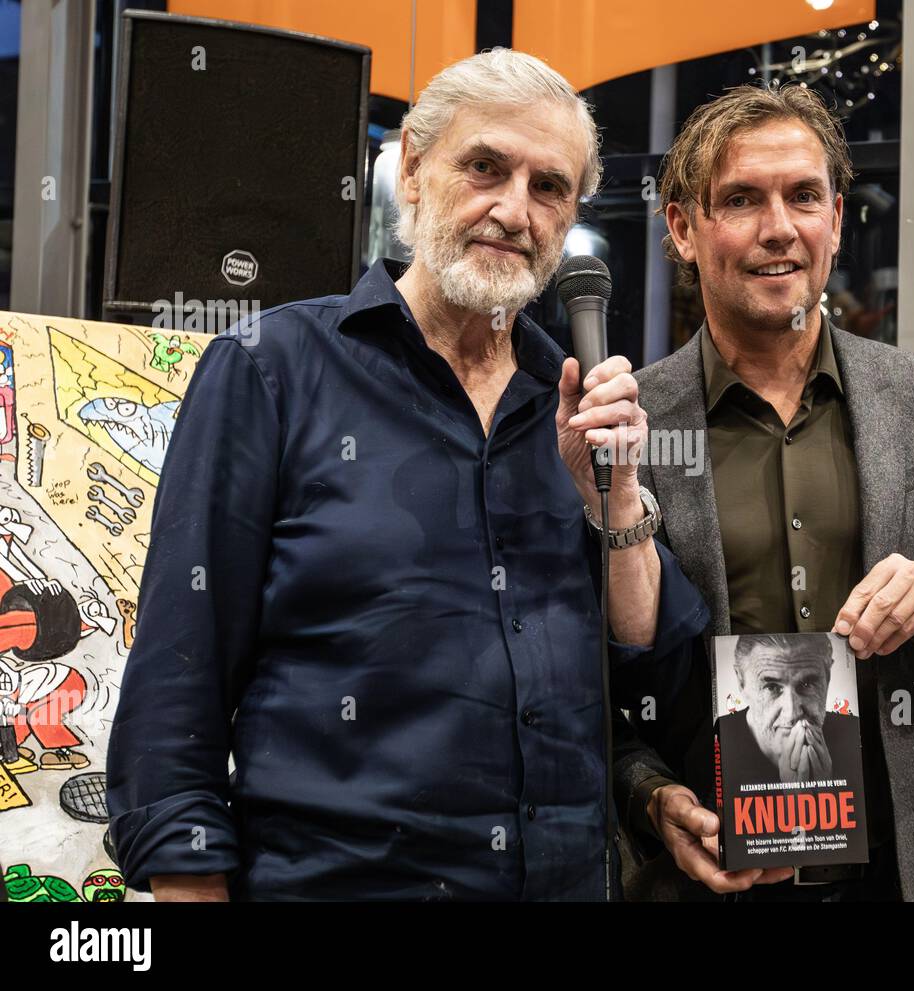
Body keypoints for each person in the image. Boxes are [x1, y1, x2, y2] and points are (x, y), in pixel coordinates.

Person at [106, 49, 708, 902]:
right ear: (416, 172)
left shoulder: (579, 405)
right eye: (486, 167)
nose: (513, 209)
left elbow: (655, 674)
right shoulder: (271, 369)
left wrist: (613, 501)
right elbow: (178, 686)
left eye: (549, 187)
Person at [615, 83, 914, 902]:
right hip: (708, 875)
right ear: (681, 228)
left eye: (804, 196)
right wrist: (651, 799)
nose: (780, 228)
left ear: (836, 221)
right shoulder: (632, 425)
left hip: (904, 872)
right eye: (741, 199)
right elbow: (596, 686)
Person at [717, 633, 858, 785]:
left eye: (807, 684)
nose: (792, 715)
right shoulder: (718, 738)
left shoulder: (856, 734)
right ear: (741, 682)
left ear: (828, 676)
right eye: (771, 687)